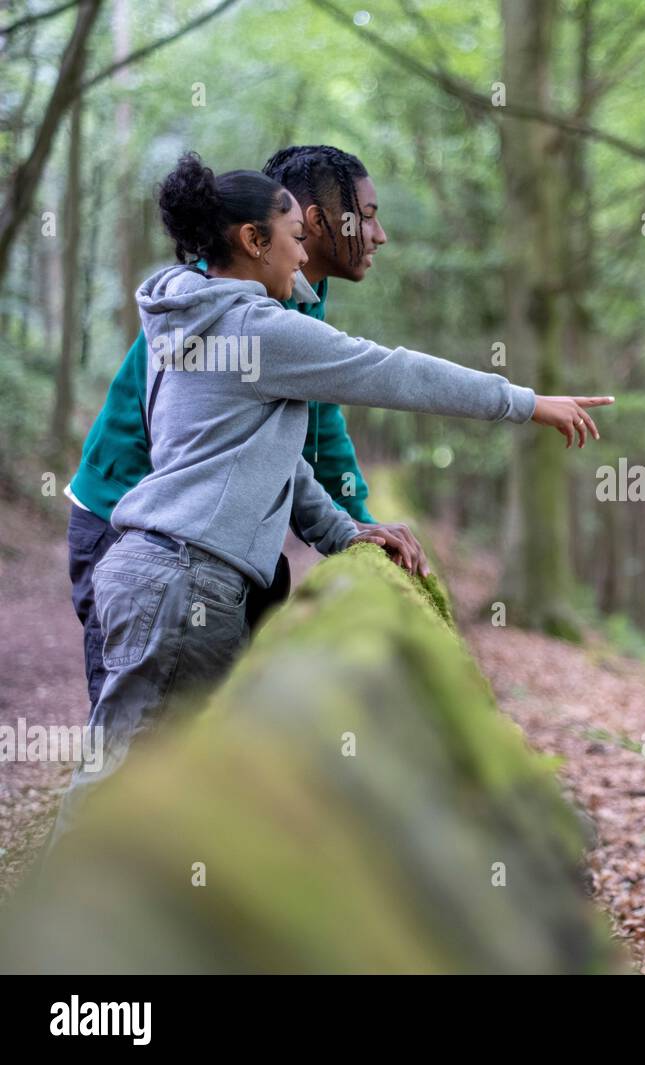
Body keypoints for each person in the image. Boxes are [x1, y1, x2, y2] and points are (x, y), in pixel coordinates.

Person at [45, 152, 612, 852]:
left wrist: (345, 531)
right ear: (255, 242)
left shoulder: (184, 320)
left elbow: (279, 462)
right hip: (181, 579)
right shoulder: (260, 330)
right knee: (126, 781)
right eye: (294, 238)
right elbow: (393, 371)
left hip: (161, 567)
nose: (303, 255)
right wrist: (526, 403)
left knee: (154, 776)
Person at [64, 145, 425, 714]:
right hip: (132, 522)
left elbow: (310, 424)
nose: (378, 234)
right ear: (309, 219)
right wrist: (524, 403)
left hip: (202, 545)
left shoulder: (285, 293)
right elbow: (371, 381)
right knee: (139, 732)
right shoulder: (227, 304)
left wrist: (355, 526)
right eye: (368, 214)